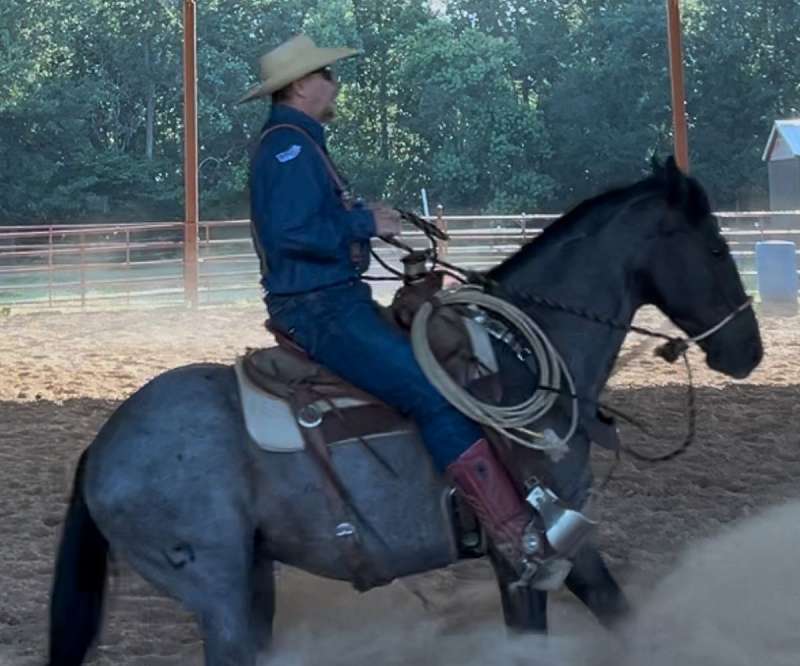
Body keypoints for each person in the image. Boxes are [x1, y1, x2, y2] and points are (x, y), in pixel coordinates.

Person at [240, 34, 540, 577]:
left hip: (333, 301)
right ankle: (515, 536)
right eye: (327, 75)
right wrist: (363, 222)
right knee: (433, 394)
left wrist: (360, 221)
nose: (335, 84)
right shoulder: (288, 149)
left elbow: (306, 223)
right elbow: (288, 234)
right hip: (320, 309)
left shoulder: (298, 143)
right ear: (302, 85)